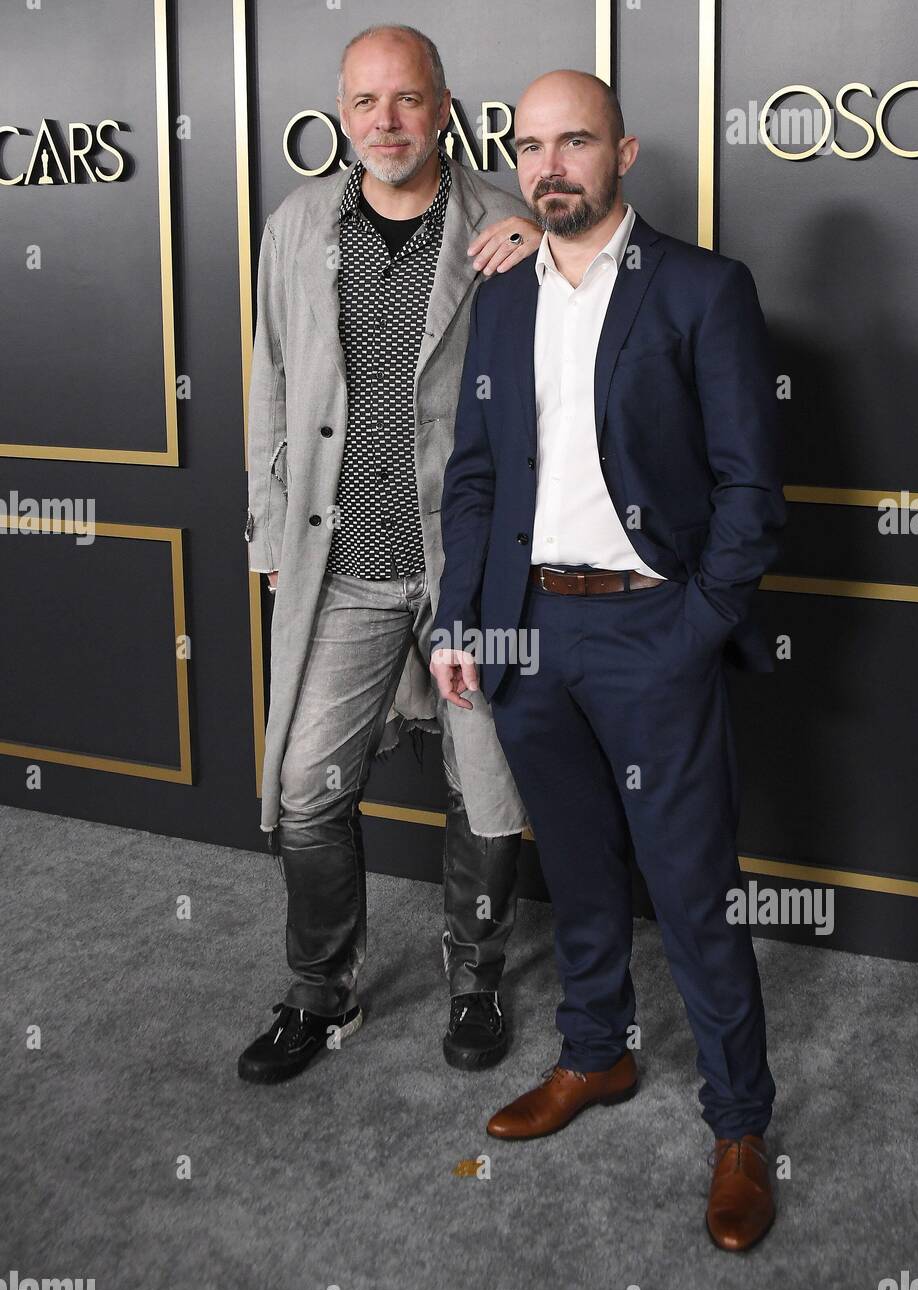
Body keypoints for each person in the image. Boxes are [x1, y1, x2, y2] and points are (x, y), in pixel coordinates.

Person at [431, 69, 786, 1252]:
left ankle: (740, 1125)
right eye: (530, 145)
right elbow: (474, 475)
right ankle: (595, 1056)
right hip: (529, 633)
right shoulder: (502, 296)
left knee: (688, 890)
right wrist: (461, 622)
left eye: (573, 140)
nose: (550, 164)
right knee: (575, 870)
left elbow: (749, 485)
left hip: (652, 628)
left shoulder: (700, 288)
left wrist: (693, 626)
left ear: (622, 152)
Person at [240, 24, 540, 1085]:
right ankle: (322, 992)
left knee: (485, 785)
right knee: (308, 787)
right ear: (342, 112)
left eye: (406, 100)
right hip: (345, 562)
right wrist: (272, 531)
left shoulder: (503, 223)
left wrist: (546, 252)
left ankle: (475, 973)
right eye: (365, 103)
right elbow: (269, 383)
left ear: (444, 104)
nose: (385, 122)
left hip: (470, 569)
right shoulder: (295, 227)